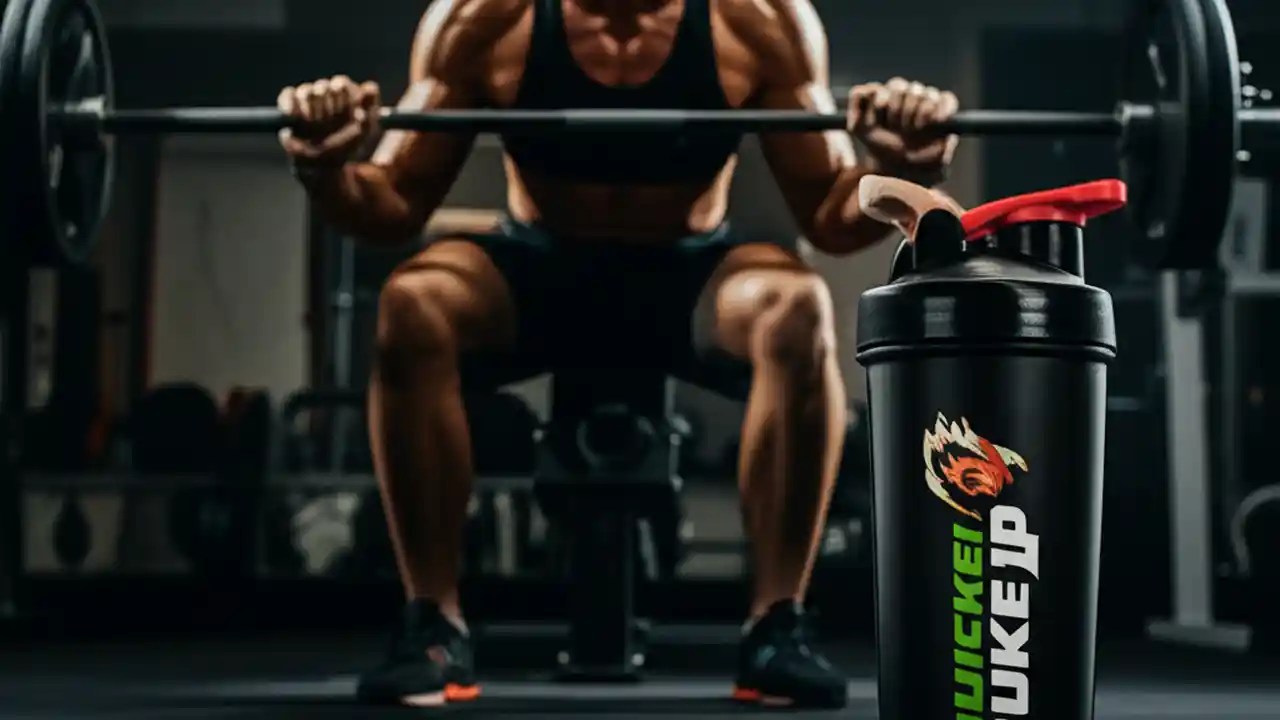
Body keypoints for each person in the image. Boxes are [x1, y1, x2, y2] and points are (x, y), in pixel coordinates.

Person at [278, 0, 959, 708]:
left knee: (798, 307)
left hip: (687, 274)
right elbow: (391, 205)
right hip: (538, 269)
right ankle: (431, 627)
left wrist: (899, 166)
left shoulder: (758, 20)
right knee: (413, 304)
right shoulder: (481, 19)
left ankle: (777, 628)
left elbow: (828, 213)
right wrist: (325, 170)